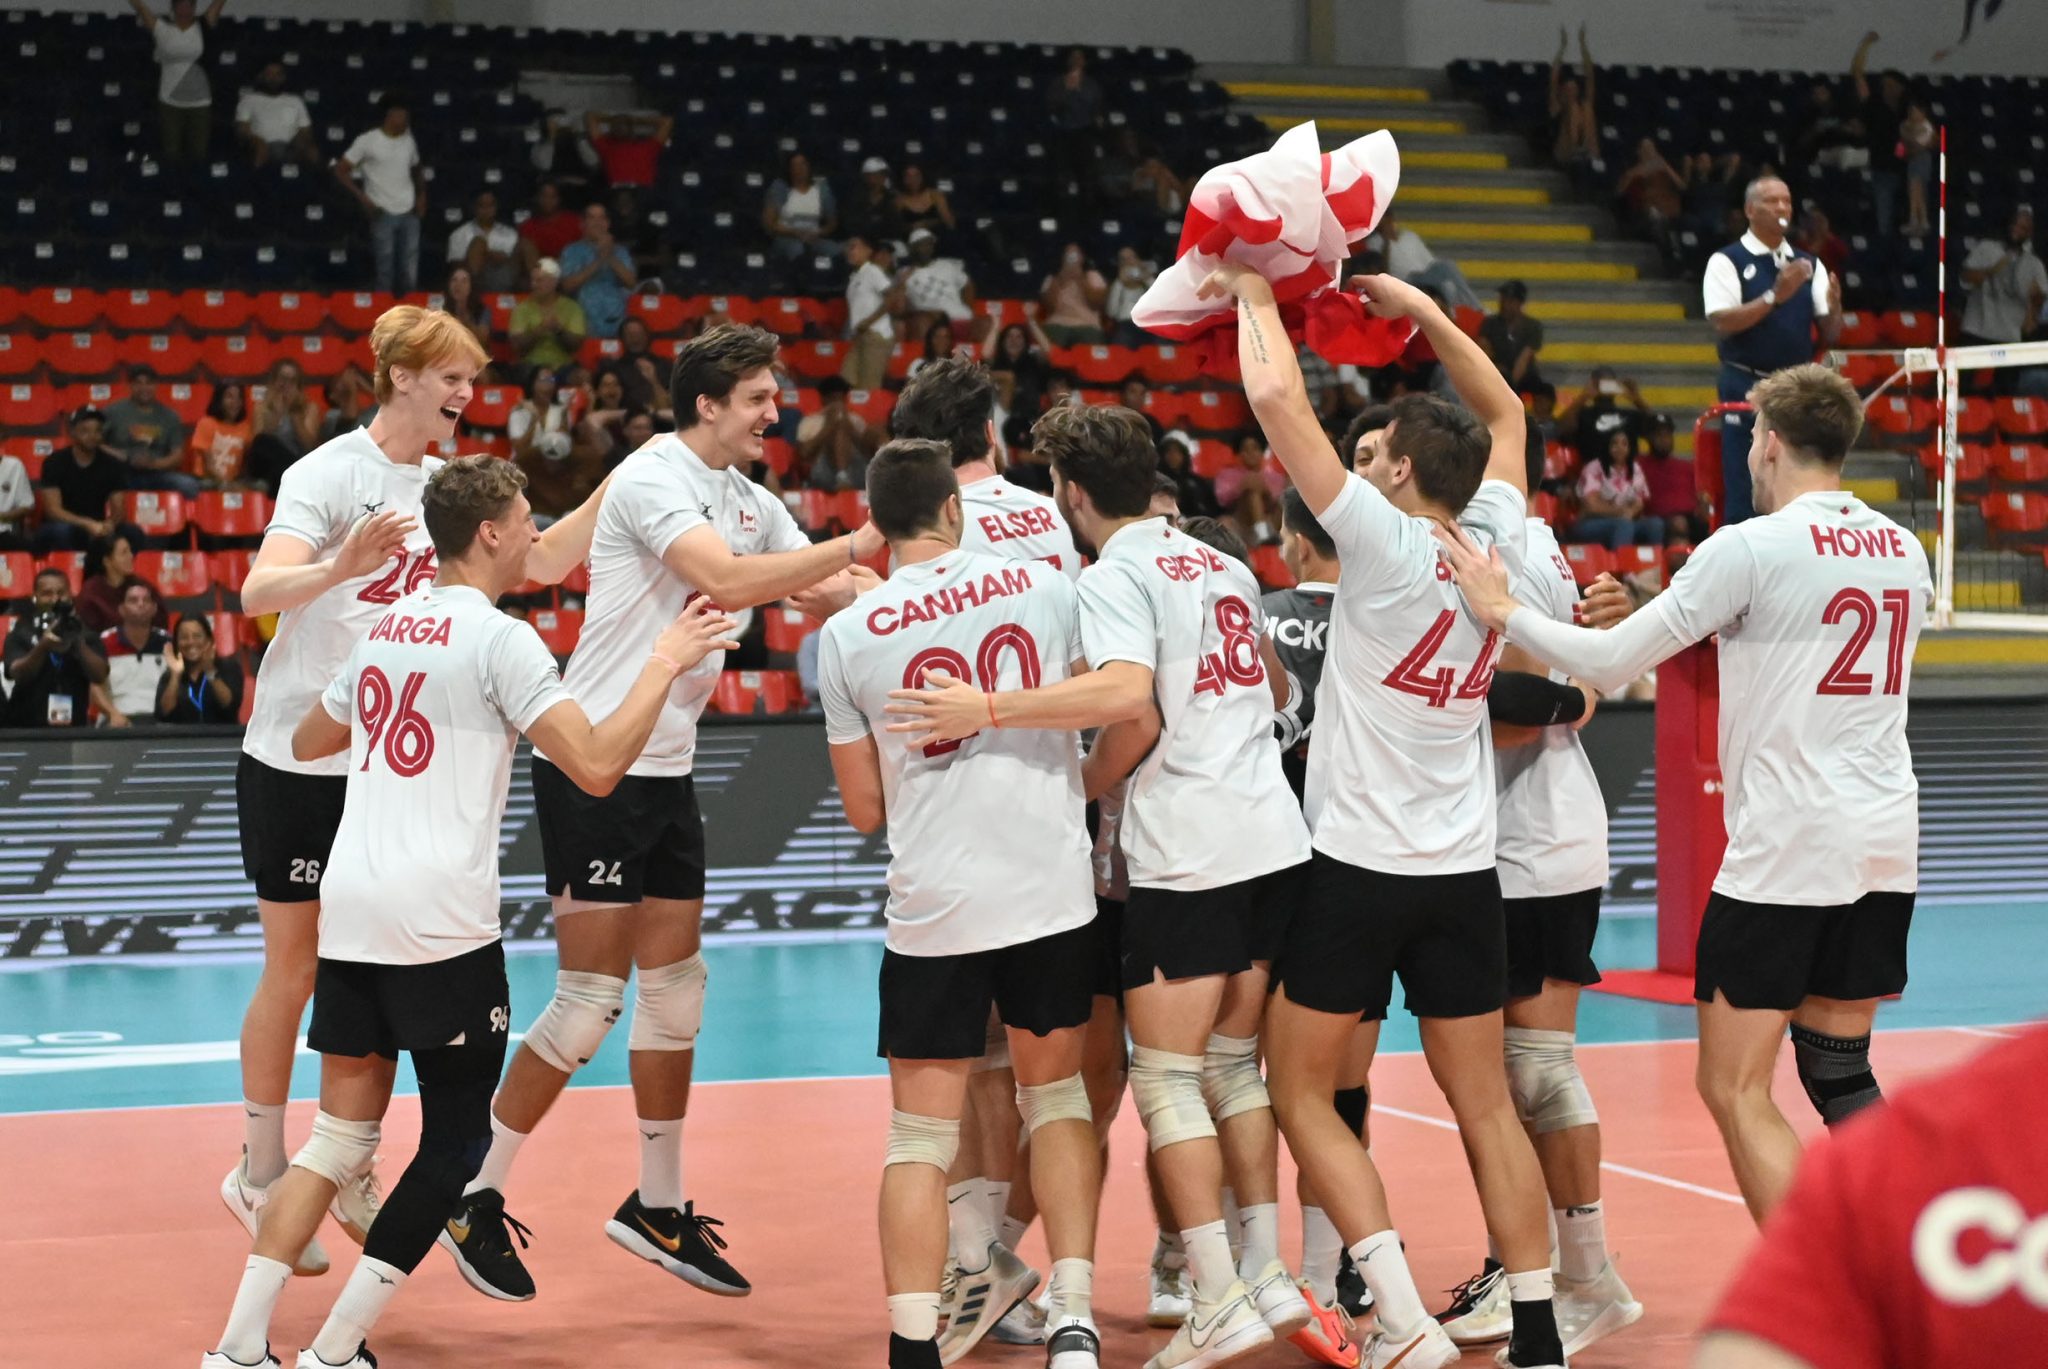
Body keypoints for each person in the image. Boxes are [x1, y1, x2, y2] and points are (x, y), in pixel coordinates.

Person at [199, 455, 738, 1369]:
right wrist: (664, 661)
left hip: (353, 906)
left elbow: (311, 736)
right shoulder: (502, 640)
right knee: (454, 1144)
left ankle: (239, 1347)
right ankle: (335, 1349)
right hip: (439, 923)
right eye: (527, 519)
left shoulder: (384, 625)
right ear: (489, 533)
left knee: (336, 1139)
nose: (536, 534)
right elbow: (596, 766)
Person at [438, 324, 887, 1303]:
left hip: (668, 765)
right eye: (758, 397)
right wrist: (857, 540)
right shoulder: (653, 478)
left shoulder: (747, 497)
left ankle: (657, 1204)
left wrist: (918, 585)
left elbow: (820, 585)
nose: (775, 411)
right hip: (596, 760)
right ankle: (470, 1191)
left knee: (678, 987)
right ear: (707, 406)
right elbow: (727, 579)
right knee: (588, 1001)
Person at [1434, 363, 1928, 1225]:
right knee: (1839, 1070)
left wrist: (1503, 609)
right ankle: (1913, 1259)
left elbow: (1609, 663)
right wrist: (1659, 605)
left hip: (1789, 847)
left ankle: (1818, 1283)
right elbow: (1789, 623)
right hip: (1885, 841)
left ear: (1769, 444)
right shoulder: (1904, 548)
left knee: (1733, 1086)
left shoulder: (1750, 544)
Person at [887, 402, 1317, 1369]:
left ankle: (1216, 1294)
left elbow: (1129, 704)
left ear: (1070, 493)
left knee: (1165, 1079)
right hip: (1272, 842)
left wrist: (1011, 727)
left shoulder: (1115, 573)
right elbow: (1277, 691)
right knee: (1233, 1072)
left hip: (1189, 852)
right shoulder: (1221, 561)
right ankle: (1263, 1271)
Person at [1201, 260, 1563, 1369]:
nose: (1361, 466)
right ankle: (1539, 1332)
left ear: (1401, 468)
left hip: (1358, 868)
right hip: (1464, 872)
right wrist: (1425, 313)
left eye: (1376, 455)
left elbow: (1276, 398)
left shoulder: (1380, 537)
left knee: (1299, 1090)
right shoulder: (1494, 539)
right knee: (1486, 1107)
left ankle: (1401, 1319)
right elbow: (1506, 413)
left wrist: (1250, 285)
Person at [224, 307, 608, 1290]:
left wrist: (630, 480)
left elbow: (540, 557)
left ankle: (345, 1156)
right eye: (451, 378)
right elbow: (258, 592)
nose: (466, 395)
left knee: (359, 972)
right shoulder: (328, 473)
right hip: (297, 753)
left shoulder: (445, 484)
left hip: (378, 763)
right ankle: (260, 1170)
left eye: (472, 379)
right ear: (399, 375)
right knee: (295, 968)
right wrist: (342, 565)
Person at [815, 438, 1104, 1369]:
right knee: (1056, 1101)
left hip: (937, 904)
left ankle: (912, 1346)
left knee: (918, 1136)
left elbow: (865, 810)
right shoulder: (1044, 586)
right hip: (1049, 891)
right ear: (954, 508)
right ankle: (1075, 1321)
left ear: (878, 524)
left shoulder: (848, 635)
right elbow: (1106, 698)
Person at [1433, 425, 1641, 1361]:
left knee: (1523, 1075)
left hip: (1523, 842)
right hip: (1545, 837)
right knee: (1529, 1072)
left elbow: (1516, 711)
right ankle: (1554, 1268)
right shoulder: (1541, 543)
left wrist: (1423, 715)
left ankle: (1572, 1275)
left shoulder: (1493, 546)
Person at [1696, 1022, 2048, 1369]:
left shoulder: (1934, 1139)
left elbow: (1743, 1357)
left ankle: (1822, 1275)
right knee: (1840, 1071)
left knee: (1736, 1088)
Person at [1705, 176, 1839, 524]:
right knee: (1744, 481)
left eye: (1787, 201)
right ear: (1750, 210)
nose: (1782, 208)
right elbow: (1722, 322)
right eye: (1772, 201)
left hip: (1795, 386)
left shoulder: (1809, 264)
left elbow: (1831, 332)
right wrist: (1774, 297)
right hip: (1744, 382)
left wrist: (1835, 308)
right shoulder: (1727, 260)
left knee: (1799, 481)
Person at [338, 95, 426, 296]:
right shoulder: (367, 141)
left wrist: (422, 195)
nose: (406, 121)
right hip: (382, 211)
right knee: (385, 270)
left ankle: (409, 310)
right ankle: (383, 310)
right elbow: (341, 170)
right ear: (391, 116)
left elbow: (417, 168)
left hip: (409, 211)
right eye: (403, 116)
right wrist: (364, 199)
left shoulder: (408, 140)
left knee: (409, 271)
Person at [4, 570, 108, 729]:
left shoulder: (82, 630)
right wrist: (43, 647)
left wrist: (77, 642)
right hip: (26, 726)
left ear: (70, 595)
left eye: (61, 593)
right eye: (47, 593)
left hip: (73, 726)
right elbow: (17, 673)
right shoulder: (22, 630)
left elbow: (100, 675)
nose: (55, 599)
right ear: (35, 596)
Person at [1958, 208, 2046, 394]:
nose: (2017, 230)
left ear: (2029, 233)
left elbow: (2040, 296)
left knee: (2006, 392)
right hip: (1978, 327)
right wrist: (1993, 269)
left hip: (2009, 334)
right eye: (2015, 225)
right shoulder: (1986, 248)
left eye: (2023, 228)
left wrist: (2033, 312)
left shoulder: (2033, 263)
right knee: (1962, 387)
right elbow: (1966, 277)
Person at [128, 0, 226, 166]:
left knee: (198, 154)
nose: (185, 9)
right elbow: (141, 8)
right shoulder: (162, 29)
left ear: (194, 8)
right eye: (181, 5)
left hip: (200, 102)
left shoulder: (202, 26)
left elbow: (218, 4)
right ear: (173, 8)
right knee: (171, 154)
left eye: (189, 5)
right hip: (170, 101)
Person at [37, 409, 138, 554]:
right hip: (63, 523)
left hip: (98, 524)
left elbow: (119, 510)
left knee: (133, 533)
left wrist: (110, 524)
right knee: (62, 532)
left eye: (97, 431)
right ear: (72, 432)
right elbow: (53, 511)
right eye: (85, 431)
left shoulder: (112, 465)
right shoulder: (54, 462)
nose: (92, 436)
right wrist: (86, 523)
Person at [104, 365, 197, 497]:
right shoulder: (112, 412)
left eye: (149, 383)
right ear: (130, 386)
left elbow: (177, 456)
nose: (144, 388)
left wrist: (153, 464)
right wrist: (124, 458)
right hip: (121, 473)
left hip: (158, 474)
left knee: (188, 485)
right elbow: (97, 443)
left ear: (155, 386)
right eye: (138, 383)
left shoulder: (170, 416)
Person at [1850, 32, 1908, 238]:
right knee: (1884, 210)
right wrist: (1865, 45)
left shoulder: (1907, 107)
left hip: (1906, 167)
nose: (1887, 88)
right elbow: (1858, 74)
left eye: (1891, 84)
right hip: (1883, 166)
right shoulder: (1875, 105)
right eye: (1885, 84)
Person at [1372, 214, 1483, 314]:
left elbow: (1431, 262)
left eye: (1387, 220)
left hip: (1424, 275)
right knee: (1440, 282)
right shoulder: (1374, 242)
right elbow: (1383, 271)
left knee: (1447, 269)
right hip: (1405, 280)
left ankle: (1475, 307)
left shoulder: (1409, 236)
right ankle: (1454, 311)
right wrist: (1386, 242)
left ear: (1391, 219)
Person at [1572, 429, 1664, 550]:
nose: (1619, 448)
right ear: (1607, 446)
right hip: (1591, 522)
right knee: (1624, 525)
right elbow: (1592, 506)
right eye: (1614, 443)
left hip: (1626, 520)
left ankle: (1654, 562)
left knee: (1655, 524)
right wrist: (1620, 513)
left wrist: (1630, 513)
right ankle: (1620, 562)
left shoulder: (1635, 469)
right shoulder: (1594, 468)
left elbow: (1639, 502)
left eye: (1624, 444)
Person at [96, 579, 171, 727]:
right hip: (117, 719)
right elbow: (95, 687)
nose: (140, 604)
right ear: (121, 609)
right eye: (133, 600)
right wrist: (112, 713)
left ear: (154, 609)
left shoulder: (168, 643)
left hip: (158, 721)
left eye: (146, 600)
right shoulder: (104, 642)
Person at [558, 203, 636, 343]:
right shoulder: (572, 251)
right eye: (592, 218)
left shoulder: (620, 251)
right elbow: (567, 286)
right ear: (583, 224)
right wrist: (599, 260)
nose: (597, 223)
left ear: (608, 223)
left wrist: (609, 256)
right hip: (583, 322)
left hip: (617, 321)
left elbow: (631, 282)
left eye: (602, 218)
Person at [244, 361, 325, 492]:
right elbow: (257, 444)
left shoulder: (309, 408)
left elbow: (309, 446)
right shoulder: (261, 407)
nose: (286, 385)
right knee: (262, 442)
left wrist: (294, 414)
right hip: (268, 467)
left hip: (296, 464)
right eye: (282, 379)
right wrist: (277, 413)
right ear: (274, 381)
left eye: (292, 381)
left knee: (281, 473)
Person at [157, 613, 244, 724]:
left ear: (209, 640)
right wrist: (175, 675)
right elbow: (164, 714)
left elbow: (230, 706)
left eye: (197, 636)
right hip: (182, 735)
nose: (191, 642)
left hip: (221, 734)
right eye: (184, 637)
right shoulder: (170, 674)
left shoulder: (228, 667)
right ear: (177, 644)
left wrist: (210, 671)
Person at [902, 229, 984, 344]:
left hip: (959, 318)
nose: (927, 248)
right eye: (922, 244)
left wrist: (967, 308)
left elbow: (967, 285)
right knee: (921, 323)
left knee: (986, 323)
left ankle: (975, 356)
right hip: (930, 320)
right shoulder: (904, 273)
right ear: (913, 248)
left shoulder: (947, 265)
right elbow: (900, 305)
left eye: (929, 244)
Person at [509, 258, 588, 377]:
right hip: (531, 367)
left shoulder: (572, 308)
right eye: (533, 280)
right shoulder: (522, 309)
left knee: (582, 376)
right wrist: (540, 330)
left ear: (553, 282)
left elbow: (576, 345)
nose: (534, 285)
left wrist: (558, 330)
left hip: (563, 367)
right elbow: (517, 346)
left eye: (539, 280)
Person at [234, 60, 318, 169]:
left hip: (290, 145)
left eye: (278, 74)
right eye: (269, 74)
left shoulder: (295, 100)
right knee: (260, 151)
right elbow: (242, 128)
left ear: (283, 78)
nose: (273, 78)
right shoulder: (249, 99)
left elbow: (306, 130)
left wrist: (300, 141)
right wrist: (257, 141)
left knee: (312, 151)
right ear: (261, 76)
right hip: (261, 145)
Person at [841, 237, 899, 392]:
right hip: (860, 336)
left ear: (868, 251)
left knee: (869, 387)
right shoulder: (855, 276)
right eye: (848, 247)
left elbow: (891, 296)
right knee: (847, 379)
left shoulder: (872, 271)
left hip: (875, 335)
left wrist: (869, 321)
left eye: (854, 247)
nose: (850, 251)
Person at [78, 531, 165, 635]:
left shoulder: (141, 586)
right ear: (107, 561)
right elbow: (88, 635)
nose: (131, 556)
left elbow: (160, 621)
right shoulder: (91, 592)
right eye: (124, 553)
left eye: (130, 551)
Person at [1639, 415, 1707, 544]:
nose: (1664, 439)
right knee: (1678, 524)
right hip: (1660, 519)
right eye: (1659, 435)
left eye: (1667, 435)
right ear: (1649, 438)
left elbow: (1700, 495)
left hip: (1691, 518)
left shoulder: (1686, 466)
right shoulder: (1640, 466)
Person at [763, 151, 839, 262]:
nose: (800, 169)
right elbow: (769, 223)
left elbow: (832, 223)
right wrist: (795, 233)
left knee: (835, 250)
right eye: (795, 165)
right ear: (789, 169)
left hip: (814, 237)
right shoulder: (779, 187)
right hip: (786, 237)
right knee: (797, 249)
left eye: (803, 164)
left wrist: (819, 232)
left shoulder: (821, 188)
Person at [1214, 431, 1285, 547]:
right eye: (1245, 450)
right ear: (1239, 453)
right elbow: (1223, 501)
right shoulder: (1227, 475)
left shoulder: (1274, 476)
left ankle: (1268, 536)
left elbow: (1279, 502)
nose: (1250, 453)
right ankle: (1262, 535)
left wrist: (1265, 490)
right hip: (1241, 524)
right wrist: (1242, 487)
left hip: (1271, 522)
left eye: (1255, 448)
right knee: (1251, 493)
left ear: (1262, 452)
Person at [448, 191, 522, 294]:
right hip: (473, 279)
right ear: (474, 208)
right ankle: (473, 294)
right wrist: (487, 255)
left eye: (490, 205)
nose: (486, 210)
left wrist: (490, 256)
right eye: (482, 205)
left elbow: (514, 264)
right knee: (478, 243)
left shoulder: (510, 233)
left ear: (496, 207)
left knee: (524, 245)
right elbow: (455, 266)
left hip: (503, 278)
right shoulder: (459, 233)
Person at [1478, 281, 1544, 392]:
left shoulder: (1533, 326)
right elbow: (1483, 350)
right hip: (1497, 373)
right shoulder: (1490, 323)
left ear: (1520, 303)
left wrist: (1510, 386)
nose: (1504, 305)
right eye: (1502, 300)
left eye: (1509, 301)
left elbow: (1523, 360)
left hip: (1524, 378)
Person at [1040, 244, 1109, 346]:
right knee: (1051, 345)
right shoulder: (1051, 279)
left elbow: (1096, 304)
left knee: (1089, 342)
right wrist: (1060, 280)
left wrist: (1081, 280)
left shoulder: (1094, 276)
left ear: (1082, 257)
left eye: (1075, 254)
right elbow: (1049, 308)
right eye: (1069, 254)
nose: (1072, 257)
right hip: (1057, 324)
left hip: (1087, 324)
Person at [1548, 24, 1596, 168]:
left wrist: (1583, 44)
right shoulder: (1556, 106)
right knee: (1574, 108)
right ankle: (1577, 149)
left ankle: (1585, 150)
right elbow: (1553, 77)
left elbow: (1590, 77)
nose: (1571, 92)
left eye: (1574, 89)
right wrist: (1562, 47)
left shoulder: (1582, 106)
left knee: (1587, 107)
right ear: (1562, 91)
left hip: (1584, 147)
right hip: (1563, 150)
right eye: (1568, 89)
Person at [191, 381, 255, 488]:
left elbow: (247, 463)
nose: (235, 402)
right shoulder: (206, 423)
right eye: (229, 397)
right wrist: (226, 484)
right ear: (219, 400)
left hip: (233, 481)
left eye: (239, 398)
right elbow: (209, 466)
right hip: (208, 481)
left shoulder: (245, 428)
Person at [841, 156, 902, 246]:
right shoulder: (855, 197)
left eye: (882, 175)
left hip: (886, 242)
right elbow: (851, 226)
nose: (879, 178)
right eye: (875, 175)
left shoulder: (891, 197)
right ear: (865, 177)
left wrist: (897, 209)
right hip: (861, 242)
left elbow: (896, 228)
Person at [519, 180, 583, 264]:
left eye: (553, 197)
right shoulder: (527, 226)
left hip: (572, 266)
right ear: (537, 198)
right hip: (540, 268)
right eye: (544, 196)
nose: (548, 201)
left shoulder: (574, 221)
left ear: (559, 199)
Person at [439, 266, 494, 358]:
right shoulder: (441, 310)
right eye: (454, 280)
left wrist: (466, 319)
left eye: (464, 281)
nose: (458, 285)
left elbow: (482, 340)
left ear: (471, 286)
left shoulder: (482, 310)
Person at [892, 163, 954, 237]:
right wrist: (911, 227)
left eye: (917, 175)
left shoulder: (935, 195)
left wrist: (929, 223)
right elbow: (895, 228)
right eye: (908, 176)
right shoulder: (899, 200)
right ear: (903, 179)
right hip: (913, 239)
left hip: (938, 236)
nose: (913, 180)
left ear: (923, 177)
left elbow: (950, 223)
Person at [0, 443, 34, 550]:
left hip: (3, 533)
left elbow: (27, 506)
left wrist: (3, 516)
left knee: (35, 549)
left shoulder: (14, 465)